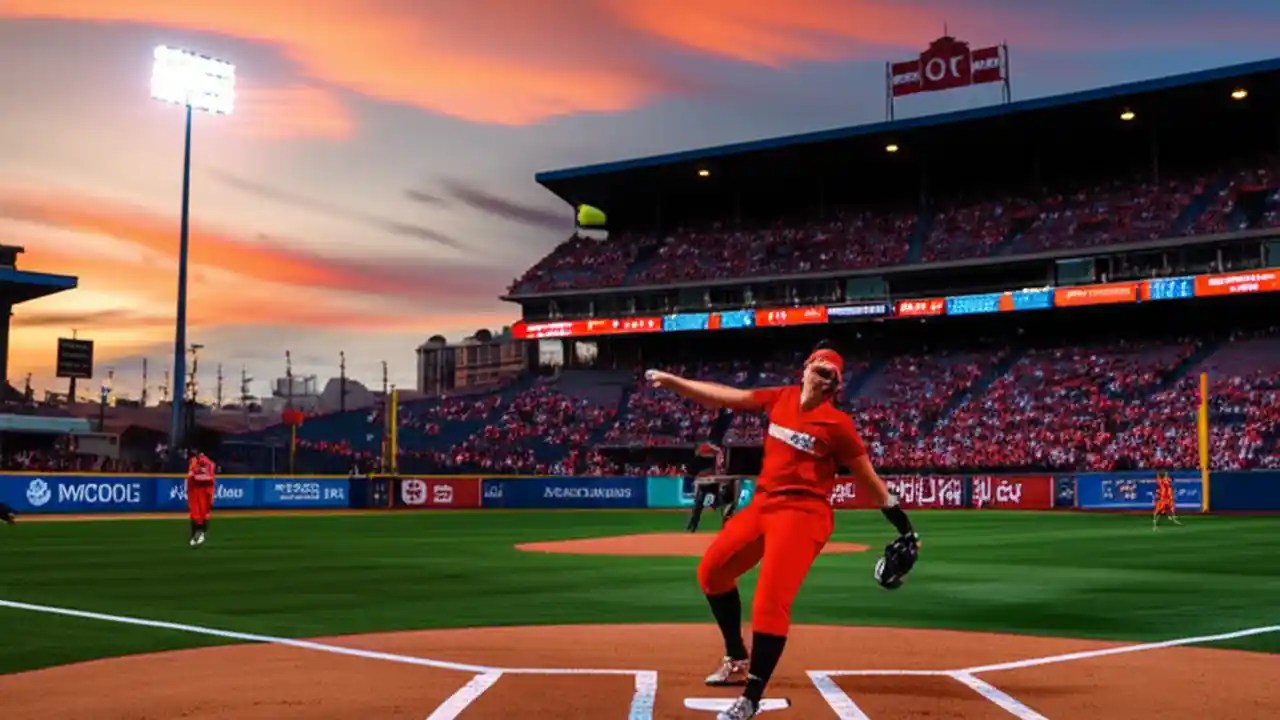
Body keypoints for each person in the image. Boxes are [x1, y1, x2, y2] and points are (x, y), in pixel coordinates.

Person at [645, 342, 919, 720]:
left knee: (768, 602)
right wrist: (677, 383)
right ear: (805, 368)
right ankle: (737, 657)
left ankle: (750, 698)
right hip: (764, 505)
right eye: (820, 368)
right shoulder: (780, 398)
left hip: (804, 514)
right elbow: (728, 396)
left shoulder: (838, 425)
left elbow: (869, 481)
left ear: (835, 387)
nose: (824, 378)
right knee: (712, 572)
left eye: (832, 377)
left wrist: (903, 526)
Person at [186, 450, 217, 546]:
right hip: (197, 491)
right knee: (198, 514)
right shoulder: (195, 461)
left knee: (200, 514)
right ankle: (196, 535)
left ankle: (199, 535)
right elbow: (191, 476)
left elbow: (209, 478)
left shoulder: (209, 464)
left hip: (202, 491)